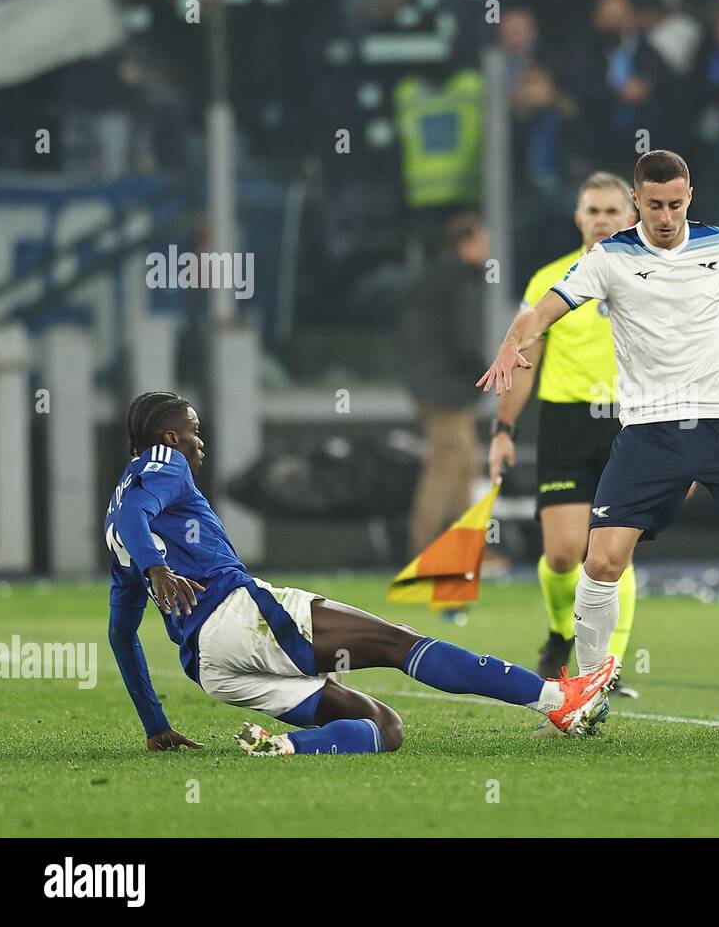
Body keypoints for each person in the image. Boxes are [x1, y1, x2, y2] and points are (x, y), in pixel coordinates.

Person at [478, 150, 719, 728]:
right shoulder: (611, 258)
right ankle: (589, 691)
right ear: (637, 201)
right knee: (601, 559)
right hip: (650, 429)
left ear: (689, 196)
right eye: (654, 206)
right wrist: (510, 343)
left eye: (675, 204)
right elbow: (541, 313)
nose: (666, 216)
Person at [105, 393, 619, 756]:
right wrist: (157, 568)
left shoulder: (116, 519)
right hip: (240, 618)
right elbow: (139, 518)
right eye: (195, 431)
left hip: (213, 668)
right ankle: (557, 700)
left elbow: (121, 634)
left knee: (382, 728)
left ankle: (282, 747)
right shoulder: (161, 462)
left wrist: (156, 725)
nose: (201, 443)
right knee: (400, 644)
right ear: (170, 437)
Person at [487, 172, 642, 693]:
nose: (601, 220)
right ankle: (560, 632)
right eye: (592, 211)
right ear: (579, 218)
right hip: (565, 423)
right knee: (561, 553)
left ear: (631, 217)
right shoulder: (550, 282)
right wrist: (503, 429)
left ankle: (606, 668)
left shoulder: (650, 277)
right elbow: (525, 359)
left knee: (615, 551)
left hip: (629, 420)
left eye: (611, 212)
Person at [400, 213, 489, 556]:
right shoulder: (459, 281)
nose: (486, 250)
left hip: (434, 386)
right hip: (445, 389)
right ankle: (425, 548)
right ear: (465, 244)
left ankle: (461, 547)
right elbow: (464, 339)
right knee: (445, 466)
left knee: (464, 464)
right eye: (482, 242)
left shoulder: (430, 278)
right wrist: (484, 372)